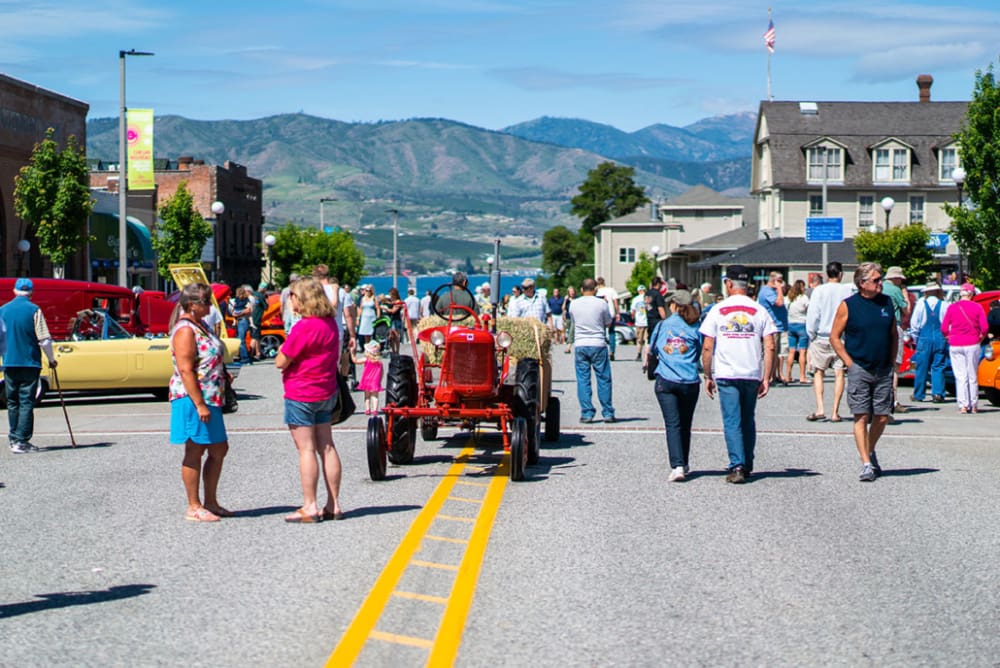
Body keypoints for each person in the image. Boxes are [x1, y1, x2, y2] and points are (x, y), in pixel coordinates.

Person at [275, 277, 344, 523]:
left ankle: (310, 505)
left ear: (301, 298)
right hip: (326, 390)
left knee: (306, 449)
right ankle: (334, 504)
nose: (290, 300)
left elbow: (281, 361)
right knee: (327, 445)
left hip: (301, 391)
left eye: (292, 295)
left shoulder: (304, 327)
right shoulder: (330, 324)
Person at [699, 265, 775, 484]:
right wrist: (767, 376)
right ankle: (747, 462)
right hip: (751, 371)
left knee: (732, 420)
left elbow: (707, 345)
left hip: (727, 371)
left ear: (729, 284)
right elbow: (769, 344)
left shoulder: (718, 309)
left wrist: (707, 374)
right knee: (747, 418)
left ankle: (737, 464)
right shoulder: (759, 310)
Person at [168, 283, 231, 522]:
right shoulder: (185, 329)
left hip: (210, 395)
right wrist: (199, 404)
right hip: (194, 398)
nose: (210, 306)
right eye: (206, 302)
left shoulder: (200, 325)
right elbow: (185, 370)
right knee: (195, 449)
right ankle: (194, 506)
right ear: (192, 305)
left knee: (218, 448)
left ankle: (211, 502)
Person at [829, 263, 897, 482]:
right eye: (876, 280)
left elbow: (893, 334)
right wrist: (849, 363)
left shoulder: (886, 302)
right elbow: (834, 337)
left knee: (882, 416)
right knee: (861, 415)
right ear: (862, 283)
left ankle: (869, 448)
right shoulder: (849, 306)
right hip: (860, 367)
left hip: (883, 368)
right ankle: (866, 463)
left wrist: (893, 360)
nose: (880, 284)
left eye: (880, 279)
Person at [649, 289, 702, 482]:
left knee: (673, 424)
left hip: (667, 379)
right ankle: (684, 462)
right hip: (690, 379)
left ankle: (677, 465)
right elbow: (702, 349)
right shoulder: (696, 325)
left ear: (673, 305)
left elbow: (653, 348)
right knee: (685, 424)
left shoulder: (664, 325)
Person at [0, 279, 56, 454]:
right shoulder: (34, 310)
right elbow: (44, 339)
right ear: (31, 293)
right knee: (26, 401)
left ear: (15, 291)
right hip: (29, 362)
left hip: (9, 362)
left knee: (12, 401)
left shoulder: (2, 310)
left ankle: (13, 437)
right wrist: (51, 359)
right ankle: (22, 440)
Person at [805, 261, 855, 422]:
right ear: (840, 274)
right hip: (840, 336)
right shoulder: (848, 289)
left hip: (821, 335)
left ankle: (820, 408)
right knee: (839, 372)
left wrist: (811, 334)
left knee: (818, 371)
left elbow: (813, 314)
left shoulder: (819, 290)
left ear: (827, 274)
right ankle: (835, 411)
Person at [568, 278, 615, 423]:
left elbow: (573, 322)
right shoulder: (601, 304)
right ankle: (607, 412)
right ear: (595, 289)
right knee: (603, 379)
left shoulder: (573, 304)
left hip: (581, 343)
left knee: (583, 379)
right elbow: (608, 322)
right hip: (598, 343)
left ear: (581, 289)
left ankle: (587, 412)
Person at [941, 282, 988, 414]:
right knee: (972, 375)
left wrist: (948, 337)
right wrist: (980, 338)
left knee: (960, 376)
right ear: (972, 294)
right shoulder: (977, 307)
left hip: (955, 343)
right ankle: (973, 405)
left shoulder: (952, 308)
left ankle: (963, 405)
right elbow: (984, 327)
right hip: (972, 343)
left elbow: (944, 328)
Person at [909, 281, 949, 403]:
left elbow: (914, 324)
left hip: (924, 338)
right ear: (938, 291)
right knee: (938, 366)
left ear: (926, 292)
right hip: (940, 337)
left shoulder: (921, 304)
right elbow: (948, 323)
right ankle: (938, 393)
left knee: (922, 367)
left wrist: (915, 338)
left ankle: (919, 394)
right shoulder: (944, 304)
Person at [881, 266, 911, 414]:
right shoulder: (895, 290)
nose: (901, 281)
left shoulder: (879, 287)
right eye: (900, 278)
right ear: (895, 278)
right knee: (895, 365)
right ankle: (893, 400)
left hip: (879, 327)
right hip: (894, 326)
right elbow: (906, 310)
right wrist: (905, 295)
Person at [757, 271, 788, 384]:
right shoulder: (767, 291)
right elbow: (779, 302)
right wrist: (779, 288)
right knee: (771, 352)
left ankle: (774, 375)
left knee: (776, 353)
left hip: (778, 326)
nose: (782, 283)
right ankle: (769, 377)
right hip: (772, 326)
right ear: (773, 280)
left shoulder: (771, 291)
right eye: (780, 281)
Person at [784, 279, 810, 384]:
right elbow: (809, 309)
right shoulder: (804, 298)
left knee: (791, 351)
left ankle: (788, 375)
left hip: (790, 325)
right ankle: (802, 376)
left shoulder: (788, 299)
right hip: (802, 325)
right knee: (802, 352)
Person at [353, 340, 385, 415]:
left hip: (366, 380)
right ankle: (375, 410)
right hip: (375, 381)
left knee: (367, 396)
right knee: (375, 396)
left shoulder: (366, 360)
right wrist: (380, 380)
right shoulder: (379, 362)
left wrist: (352, 353)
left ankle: (367, 409)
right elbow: (382, 372)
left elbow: (356, 361)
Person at [595, 277, 619, 360]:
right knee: (612, 332)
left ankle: (603, 352)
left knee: (602, 334)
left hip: (600, 314)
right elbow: (616, 302)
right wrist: (617, 313)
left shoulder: (597, 292)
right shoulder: (611, 290)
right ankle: (612, 351)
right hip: (611, 313)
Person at [232, 285, 253, 364]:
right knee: (239, 339)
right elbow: (233, 309)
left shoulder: (246, 300)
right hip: (239, 320)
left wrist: (238, 314)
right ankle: (242, 356)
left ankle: (245, 358)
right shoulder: (237, 300)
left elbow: (248, 310)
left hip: (243, 320)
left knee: (241, 340)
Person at [631, 285, 648, 361]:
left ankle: (639, 354)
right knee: (647, 340)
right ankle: (647, 355)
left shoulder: (635, 299)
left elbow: (633, 311)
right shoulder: (648, 298)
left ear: (638, 291)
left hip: (639, 322)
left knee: (639, 340)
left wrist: (632, 317)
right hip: (647, 321)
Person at [562, 285, 577, 353]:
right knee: (569, 331)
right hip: (568, 317)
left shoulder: (577, 299)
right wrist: (565, 300)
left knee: (571, 331)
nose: (572, 293)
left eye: (572, 291)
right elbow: (563, 308)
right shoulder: (567, 300)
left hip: (575, 317)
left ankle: (568, 347)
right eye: (570, 291)